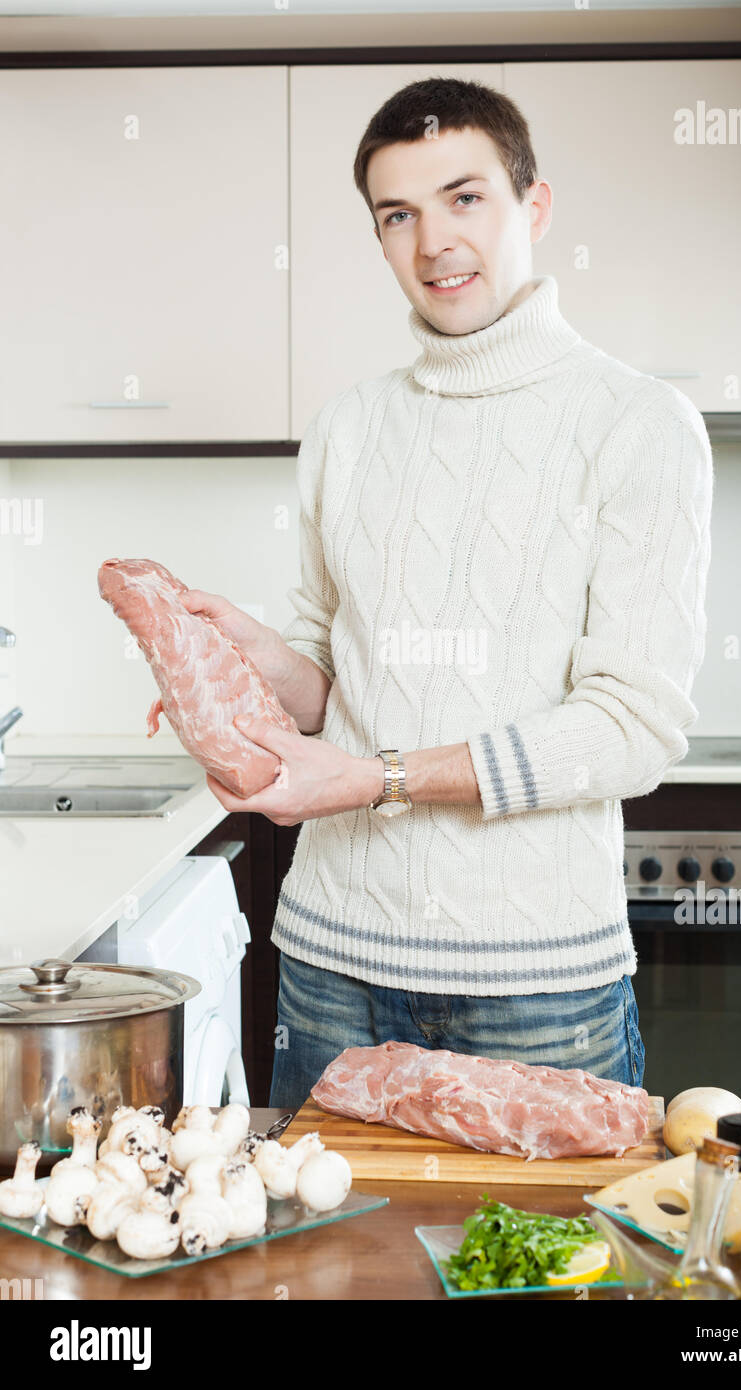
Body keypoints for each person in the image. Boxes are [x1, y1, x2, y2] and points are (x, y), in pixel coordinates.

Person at [182, 77, 713, 1112]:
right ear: (378, 236)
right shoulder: (345, 426)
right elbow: (331, 683)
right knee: (331, 1268)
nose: (434, 242)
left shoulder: (637, 422)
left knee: (544, 1277)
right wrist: (243, 649)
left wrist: (375, 777)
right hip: (332, 960)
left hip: (538, 979)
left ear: (533, 206)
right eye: (398, 214)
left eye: (464, 198)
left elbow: (630, 726)